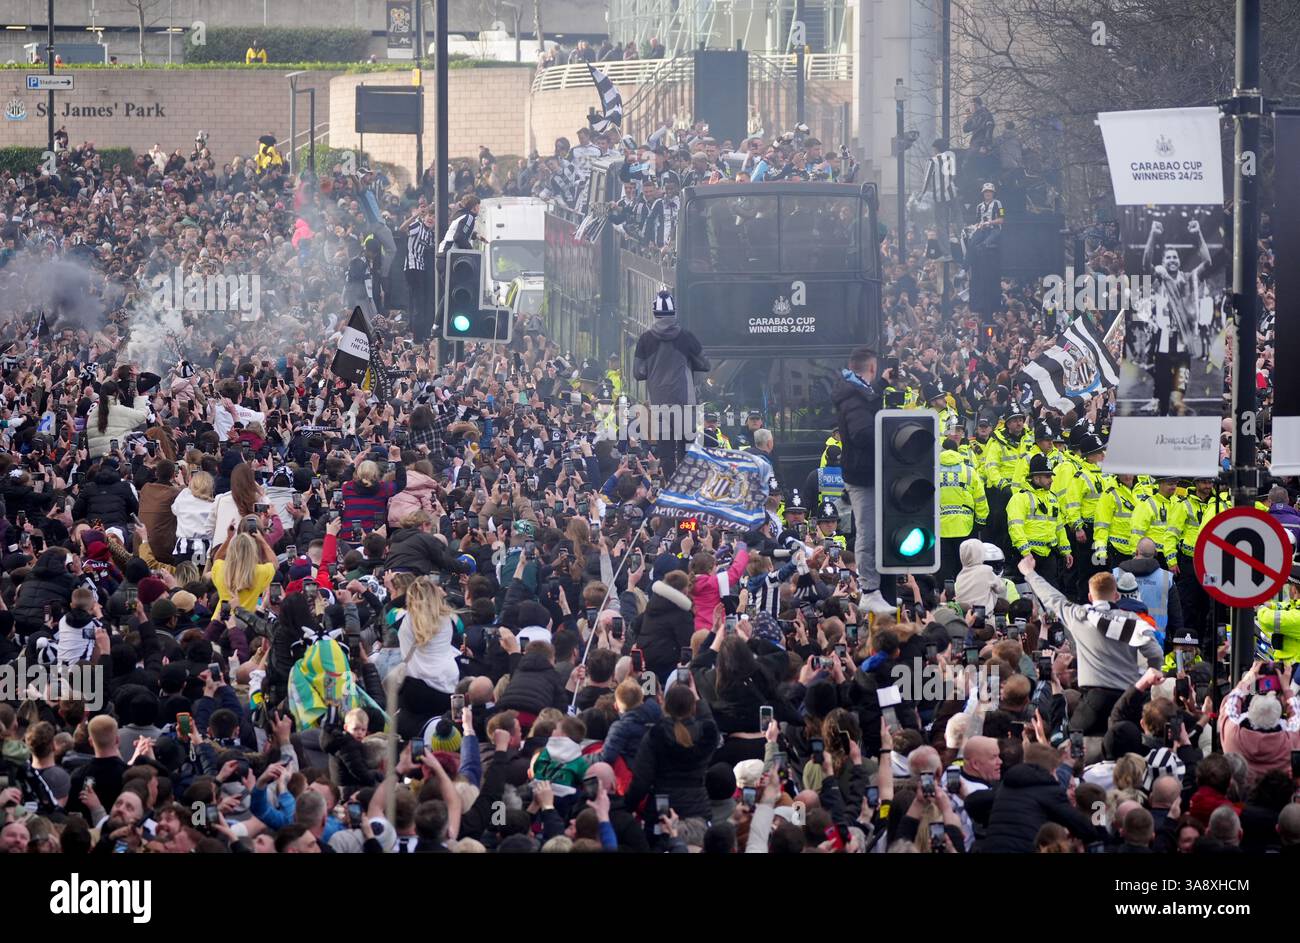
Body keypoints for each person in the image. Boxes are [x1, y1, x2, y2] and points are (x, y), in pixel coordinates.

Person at [832, 346, 892, 613]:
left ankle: (877, 587)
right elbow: (862, 433)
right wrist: (890, 438)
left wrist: (881, 385)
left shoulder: (856, 392)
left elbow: (865, 404)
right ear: (871, 367)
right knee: (867, 532)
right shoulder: (853, 397)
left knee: (875, 530)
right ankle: (869, 590)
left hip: (866, 472)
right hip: (863, 476)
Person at [632, 290, 711, 476]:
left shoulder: (645, 340)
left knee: (666, 453)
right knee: (686, 450)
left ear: (655, 313)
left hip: (660, 404)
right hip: (685, 403)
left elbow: (638, 372)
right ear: (674, 313)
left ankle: (669, 486)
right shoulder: (686, 337)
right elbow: (705, 364)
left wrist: (654, 369)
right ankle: (684, 489)